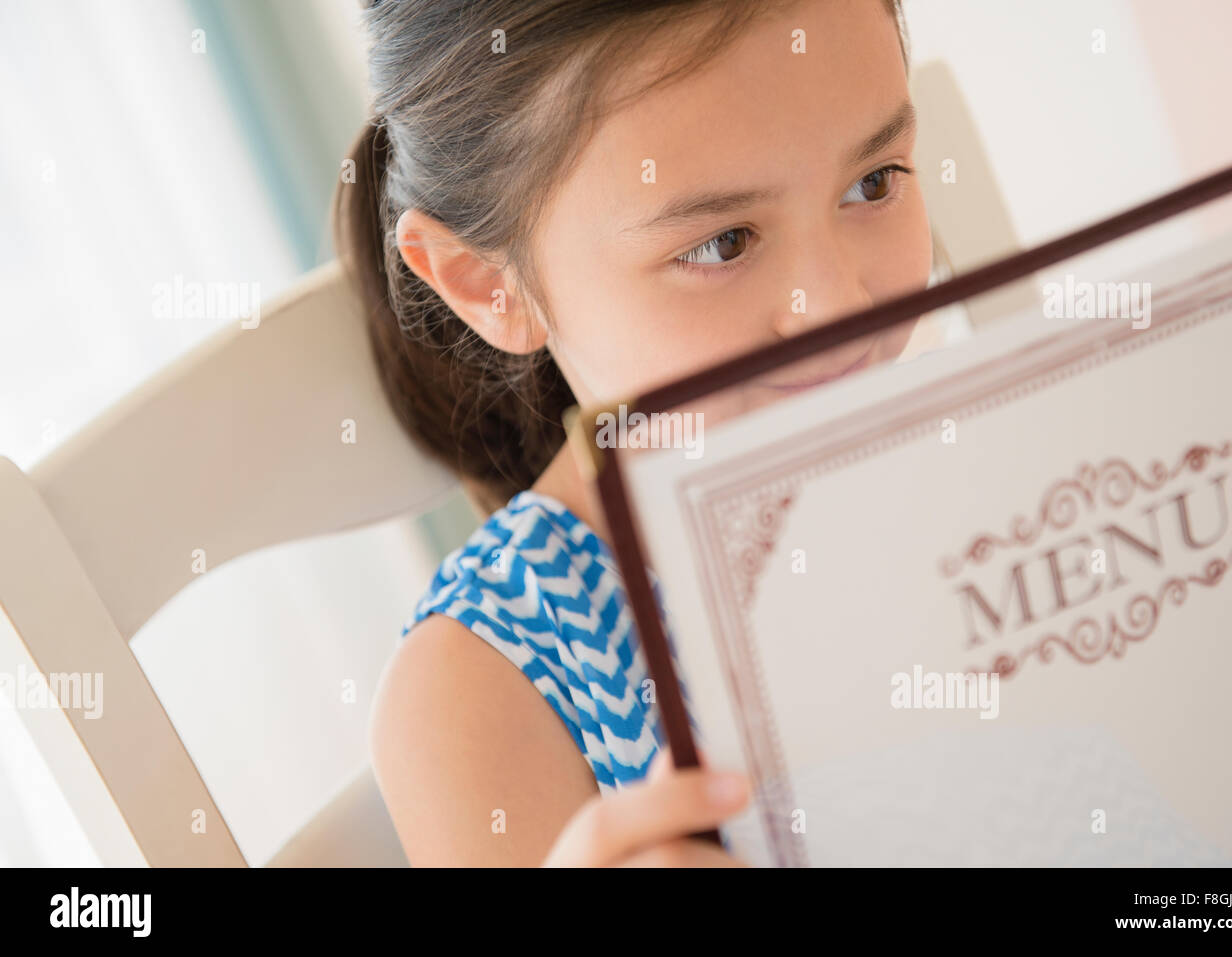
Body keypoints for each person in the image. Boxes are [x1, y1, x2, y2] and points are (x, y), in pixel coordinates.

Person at [338, 0, 931, 866]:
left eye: (872, 183)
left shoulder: (995, 443)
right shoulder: (488, 687)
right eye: (725, 242)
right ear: (485, 284)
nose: (838, 305)